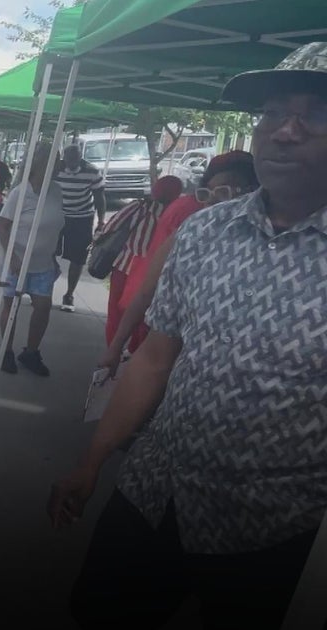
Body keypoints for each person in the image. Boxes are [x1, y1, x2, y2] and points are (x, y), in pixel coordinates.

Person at [48, 42, 327, 630]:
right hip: (155, 490)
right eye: (275, 113)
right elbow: (155, 357)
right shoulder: (207, 231)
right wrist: (93, 459)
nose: (285, 131)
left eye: (315, 114)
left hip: (270, 528)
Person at [98, 152, 259, 375]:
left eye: (224, 192)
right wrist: (115, 348)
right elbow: (146, 293)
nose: (211, 201)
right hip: (175, 354)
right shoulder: (193, 231)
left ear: (253, 192)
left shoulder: (265, 246)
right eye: (207, 193)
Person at [0, 143, 66, 377]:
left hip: (43, 262)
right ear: (41, 165)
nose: (59, 166)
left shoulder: (56, 191)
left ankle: (31, 352)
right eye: (55, 162)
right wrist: (13, 257)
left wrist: (53, 255)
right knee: (10, 305)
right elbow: (2, 227)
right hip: (15, 259)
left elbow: (55, 228)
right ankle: (6, 351)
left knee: (43, 307)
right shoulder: (20, 192)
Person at [100, 176, 183, 354]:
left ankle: (112, 352)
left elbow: (110, 227)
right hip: (155, 273)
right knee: (144, 318)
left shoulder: (139, 206)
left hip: (125, 266)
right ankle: (133, 353)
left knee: (116, 314)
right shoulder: (178, 214)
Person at [54, 144, 108, 312]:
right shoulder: (56, 169)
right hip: (58, 216)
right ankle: (44, 288)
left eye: (76, 159)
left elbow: (100, 196)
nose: (72, 163)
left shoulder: (91, 171)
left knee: (78, 258)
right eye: (69, 159)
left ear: (81, 157)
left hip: (82, 218)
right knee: (47, 251)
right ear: (64, 157)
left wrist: (101, 221)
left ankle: (69, 294)